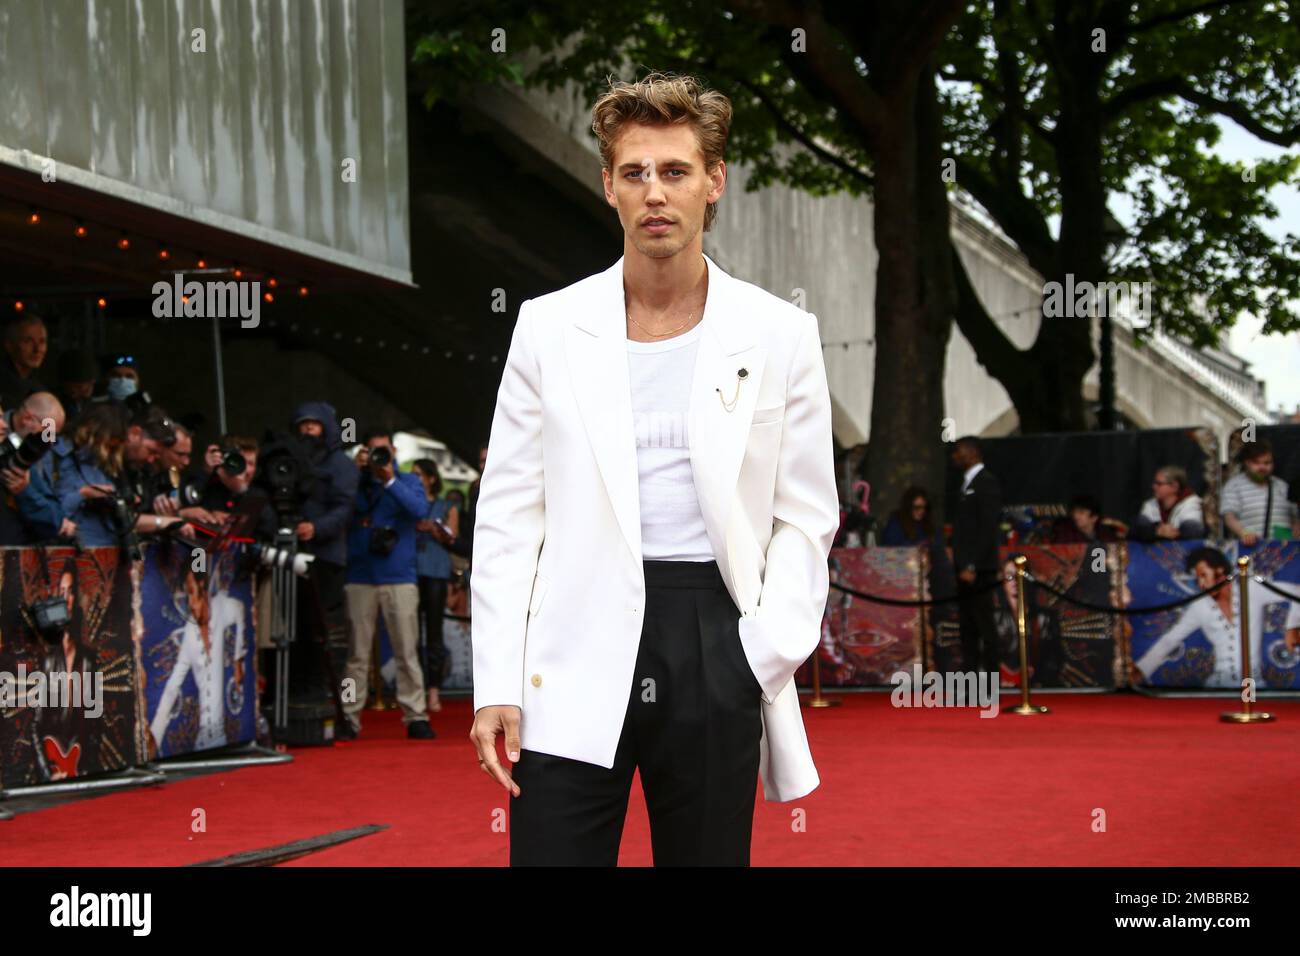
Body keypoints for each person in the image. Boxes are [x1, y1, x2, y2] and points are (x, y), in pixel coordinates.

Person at [470, 73, 839, 866]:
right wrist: (495, 679)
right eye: (635, 173)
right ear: (609, 186)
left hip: (714, 635)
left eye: (675, 171)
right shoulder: (547, 326)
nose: (655, 193)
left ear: (714, 183)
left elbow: (806, 519)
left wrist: (761, 654)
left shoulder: (782, 334)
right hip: (568, 640)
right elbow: (508, 515)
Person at [340, 430, 434, 740]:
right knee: (356, 654)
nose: (380, 458)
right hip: (361, 576)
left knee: (407, 651)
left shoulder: (407, 481)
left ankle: (416, 715)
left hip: (399, 577)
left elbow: (420, 511)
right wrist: (356, 473)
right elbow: (343, 509)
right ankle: (349, 716)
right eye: (373, 452)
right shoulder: (357, 481)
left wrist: (389, 479)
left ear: (393, 451)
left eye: (384, 451)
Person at [1130, 546, 1291, 688]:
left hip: (1253, 687)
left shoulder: (1252, 589)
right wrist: (1140, 671)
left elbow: (1296, 592)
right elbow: (1170, 640)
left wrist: (1293, 627)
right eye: (1198, 578)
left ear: (1220, 571)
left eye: (1203, 575)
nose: (1201, 583)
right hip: (1218, 687)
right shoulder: (1200, 606)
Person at [53, 402, 186, 547]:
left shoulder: (108, 466)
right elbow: (52, 513)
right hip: (75, 551)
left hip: (107, 552)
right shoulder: (64, 458)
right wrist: (85, 494)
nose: (115, 451)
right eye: (112, 444)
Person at [149, 565, 247, 755]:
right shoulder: (189, 633)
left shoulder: (221, 606)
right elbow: (172, 687)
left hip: (223, 737)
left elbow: (240, 609)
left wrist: (238, 659)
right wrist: (155, 734)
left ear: (204, 588)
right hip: (203, 741)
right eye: (188, 597)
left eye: (194, 594)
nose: (192, 604)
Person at [950, 435, 1003, 676]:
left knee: (984, 626)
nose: (955, 456)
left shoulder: (986, 483)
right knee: (968, 628)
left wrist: (972, 564)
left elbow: (987, 528)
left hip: (978, 569)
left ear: (972, 452)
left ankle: (991, 684)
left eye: (959, 451)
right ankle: (971, 684)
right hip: (965, 567)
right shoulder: (965, 484)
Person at [412, 458, 458, 713]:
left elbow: (453, 537)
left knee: (434, 632)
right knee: (412, 634)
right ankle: (415, 689)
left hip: (437, 571)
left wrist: (435, 529)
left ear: (431, 478)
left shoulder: (446, 506)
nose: (416, 478)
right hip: (411, 570)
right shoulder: (409, 504)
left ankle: (433, 691)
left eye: (420, 474)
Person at [0, 392, 66, 544]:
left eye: (54, 435)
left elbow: (54, 519)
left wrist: (24, 490)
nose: (49, 441)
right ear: (28, 419)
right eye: (47, 433)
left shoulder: (19, 459)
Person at [1221, 441, 1299, 544]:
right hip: (1251, 547)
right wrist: (1243, 533)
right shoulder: (1234, 486)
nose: (1262, 467)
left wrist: (1294, 535)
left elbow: (1295, 517)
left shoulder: (1282, 486)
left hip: (1283, 548)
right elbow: (1229, 517)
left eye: (1267, 463)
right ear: (1247, 463)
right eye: (1256, 463)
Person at [1133, 466, 1205, 541]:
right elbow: (1139, 528)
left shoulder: (1192, 503)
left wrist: (1168, 532)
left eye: (1159, 484)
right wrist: (1156, 530)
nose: (1153, 487)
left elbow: (1193, 531)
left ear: (1174, 486)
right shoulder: (1150, 504)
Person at [0, 315, 48, 408]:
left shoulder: (40, 391)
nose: (37, 349)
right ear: (9, 345)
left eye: (42, 341)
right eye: (28, 341)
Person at [52, 349, 97, 423]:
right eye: (68, 388)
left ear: (91, 382)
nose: (73, 393)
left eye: (79, 387)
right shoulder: (53, 403)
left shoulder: (100, 402)